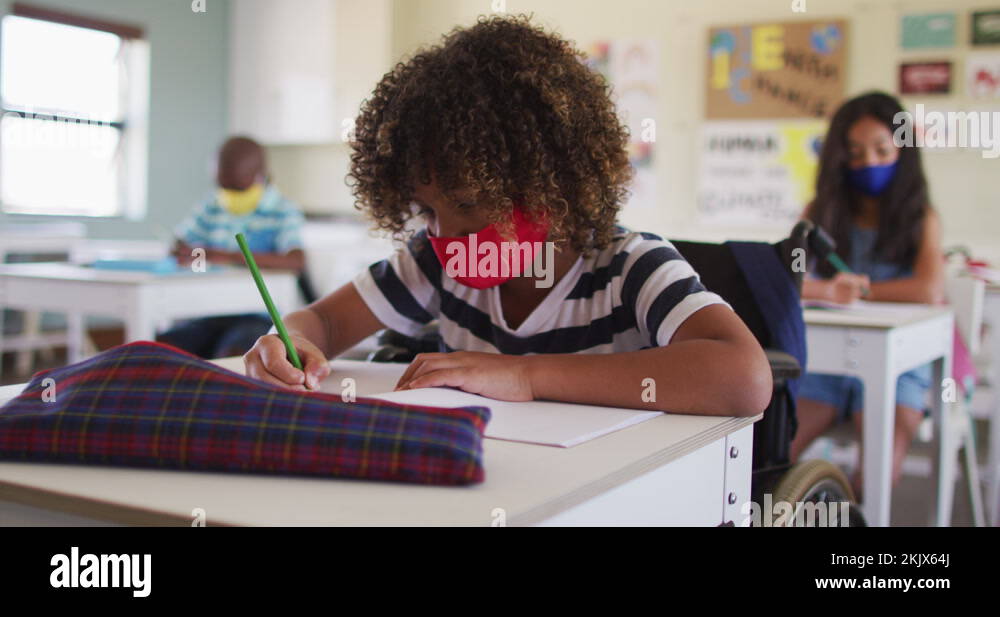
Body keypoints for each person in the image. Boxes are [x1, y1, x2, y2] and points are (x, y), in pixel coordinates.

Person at [243, 15, 772, 417]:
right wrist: (287, 340)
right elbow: (328, 321)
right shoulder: (430, 262)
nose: (446, 233)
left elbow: (743, 377)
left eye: (471, 204)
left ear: (551, 181)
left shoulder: (631, 268)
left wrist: (526, 375)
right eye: (427, 209)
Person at [792, 92, 946, 496]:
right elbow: (786, 279)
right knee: (774, 452)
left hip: (899, 367)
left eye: (881, 150)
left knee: (875, 475)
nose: (869, 163)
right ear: (838, 157)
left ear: (902, 150)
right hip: (826, 363)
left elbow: (928, 289)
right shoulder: (818, 211)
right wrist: (825, 289)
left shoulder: (922, 217)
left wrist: (860, 289)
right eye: (856, 153)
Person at [160, 136, 306, 358]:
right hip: (209, 311)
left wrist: (219, 255)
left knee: (235, 353)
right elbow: (182, 242)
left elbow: (295, 261)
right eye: (222, 186)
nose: (228, 194)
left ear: (259, 175)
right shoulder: (212, 206)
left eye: (236, 187)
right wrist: (183, 250)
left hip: (257, 316)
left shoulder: (283, 211)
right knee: (162, 348)